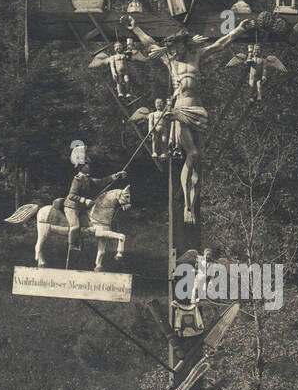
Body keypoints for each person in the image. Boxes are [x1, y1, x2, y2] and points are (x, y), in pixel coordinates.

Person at [127, 14, 252, 222]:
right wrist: (135, 29)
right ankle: (186, 204)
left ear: (184, 45)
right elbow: (149, 44)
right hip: (181, 110)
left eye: (177, 47)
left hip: (198, 108)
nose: (174, 51)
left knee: (200, 158)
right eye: (171, 49)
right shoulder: (170, 61)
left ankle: (191, 207)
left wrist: (239, 30)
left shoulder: (197, 56)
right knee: (192, 154)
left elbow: (220, 44)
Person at [57, 158, 125, 251]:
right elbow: (72, 195)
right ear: (81, 167)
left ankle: (81, 243)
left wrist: (116, 175)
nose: (88, 166)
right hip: (71, 207)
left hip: (82, 207)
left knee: (87, 226)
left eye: (88, 165)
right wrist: (84, 200)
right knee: (75, 226)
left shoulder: (88, 179)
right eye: (86, 165)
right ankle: (72, 245)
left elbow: (102, 182)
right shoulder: (77, 179)